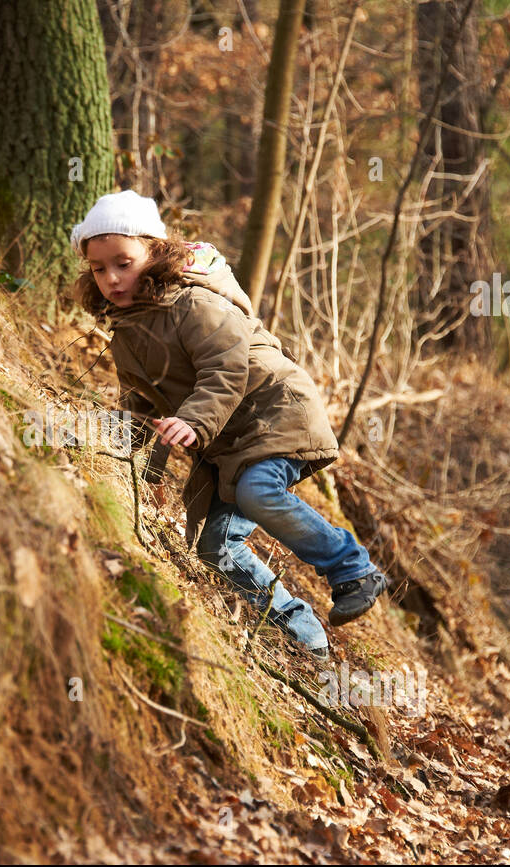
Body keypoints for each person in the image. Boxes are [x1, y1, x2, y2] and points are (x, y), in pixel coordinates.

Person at [69, 189, 387, 658]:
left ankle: (352, 568)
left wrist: (194, 422)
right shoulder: (127, 328)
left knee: (258, 492)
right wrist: (109, 455)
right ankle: (307, 639)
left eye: (123, 262)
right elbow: (140, 403)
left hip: (275, 412)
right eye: (99, 268)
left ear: (154, 252)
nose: (112, 278)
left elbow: (227, 367)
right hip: (230, 442)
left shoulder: (192, 303)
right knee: (217, 548)